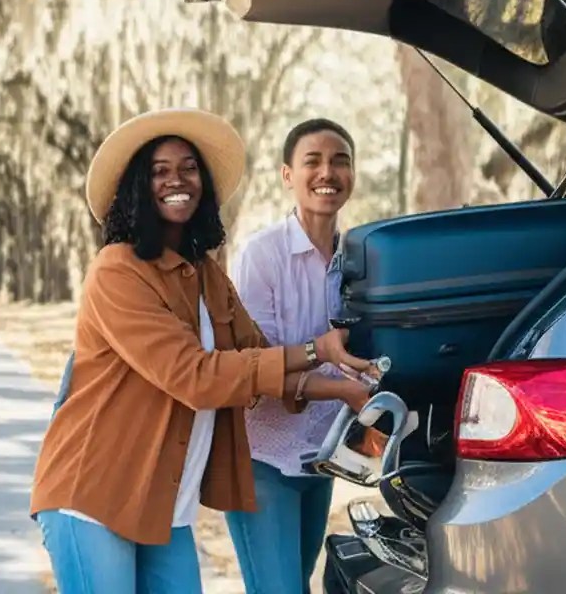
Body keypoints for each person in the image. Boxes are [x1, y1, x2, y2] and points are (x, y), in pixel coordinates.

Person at [30, 108, 377, 594]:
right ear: (136, 186)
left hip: (162, 502)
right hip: (93, 494)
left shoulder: (207, 275)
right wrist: (314, 349)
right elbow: (195, 376)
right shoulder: (117, 271)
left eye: (189, 168)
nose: (178, 180)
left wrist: (343, 388)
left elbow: (260, 367)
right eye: (160, 171)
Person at [225, 118, 381, 594]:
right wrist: (347, 391)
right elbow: (260, 367)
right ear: (287, 175)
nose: (327, 172)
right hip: (262, 457)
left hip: (321, 456)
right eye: (312, 161)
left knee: (298, 583)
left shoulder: (361, 258)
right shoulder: (262, 256)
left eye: (340, 161)